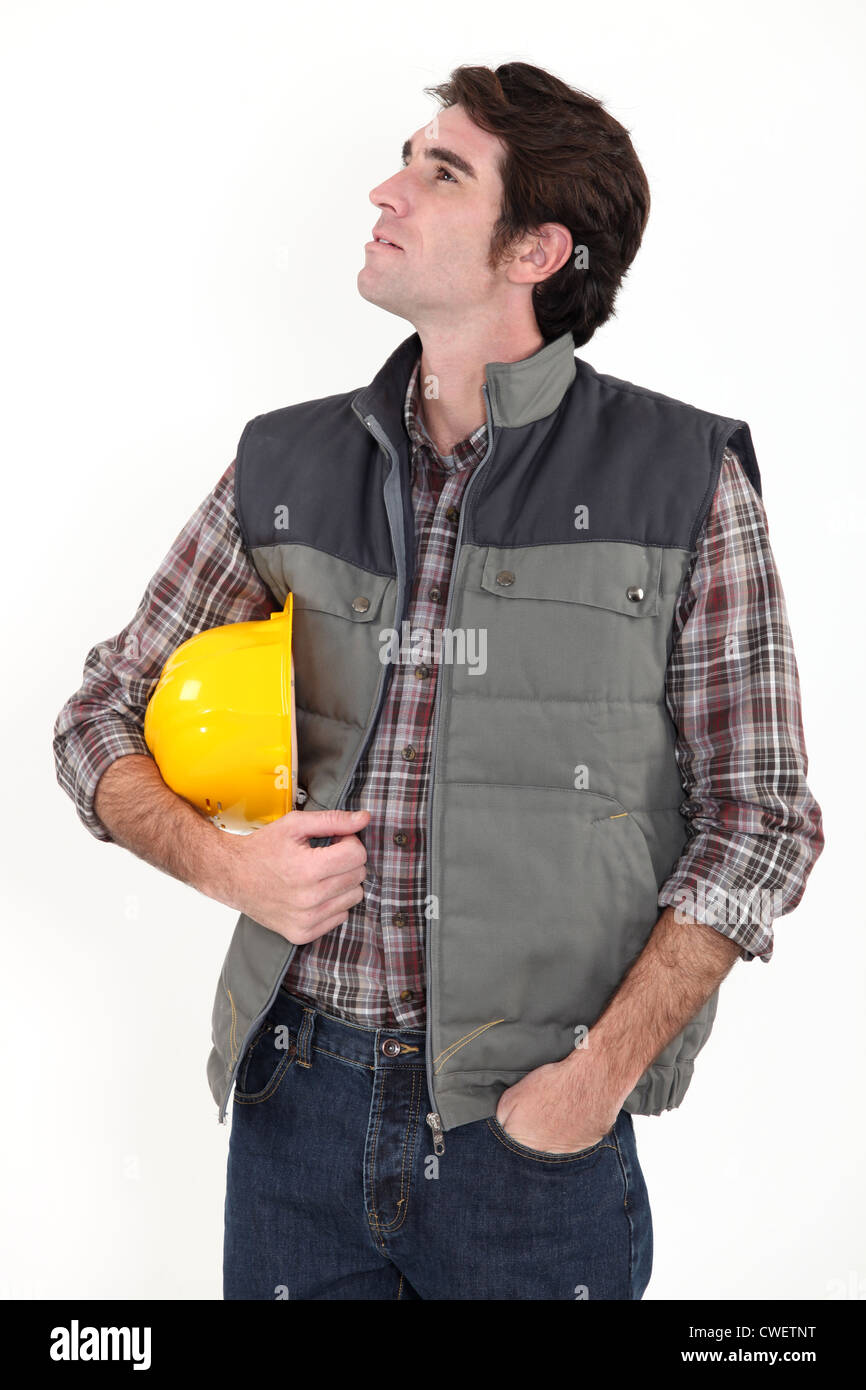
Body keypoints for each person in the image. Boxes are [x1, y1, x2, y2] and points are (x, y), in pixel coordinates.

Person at [53, 62, 824, 1301]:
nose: (384, 190)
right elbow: (99, 717)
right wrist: (227, 864)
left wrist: (590, 1085)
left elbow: (763, 821)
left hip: (529, 1136)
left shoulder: (681, 478)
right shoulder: (287, 461)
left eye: (438, 170)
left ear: (536, 250)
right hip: (295, 1106)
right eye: (406, 158)